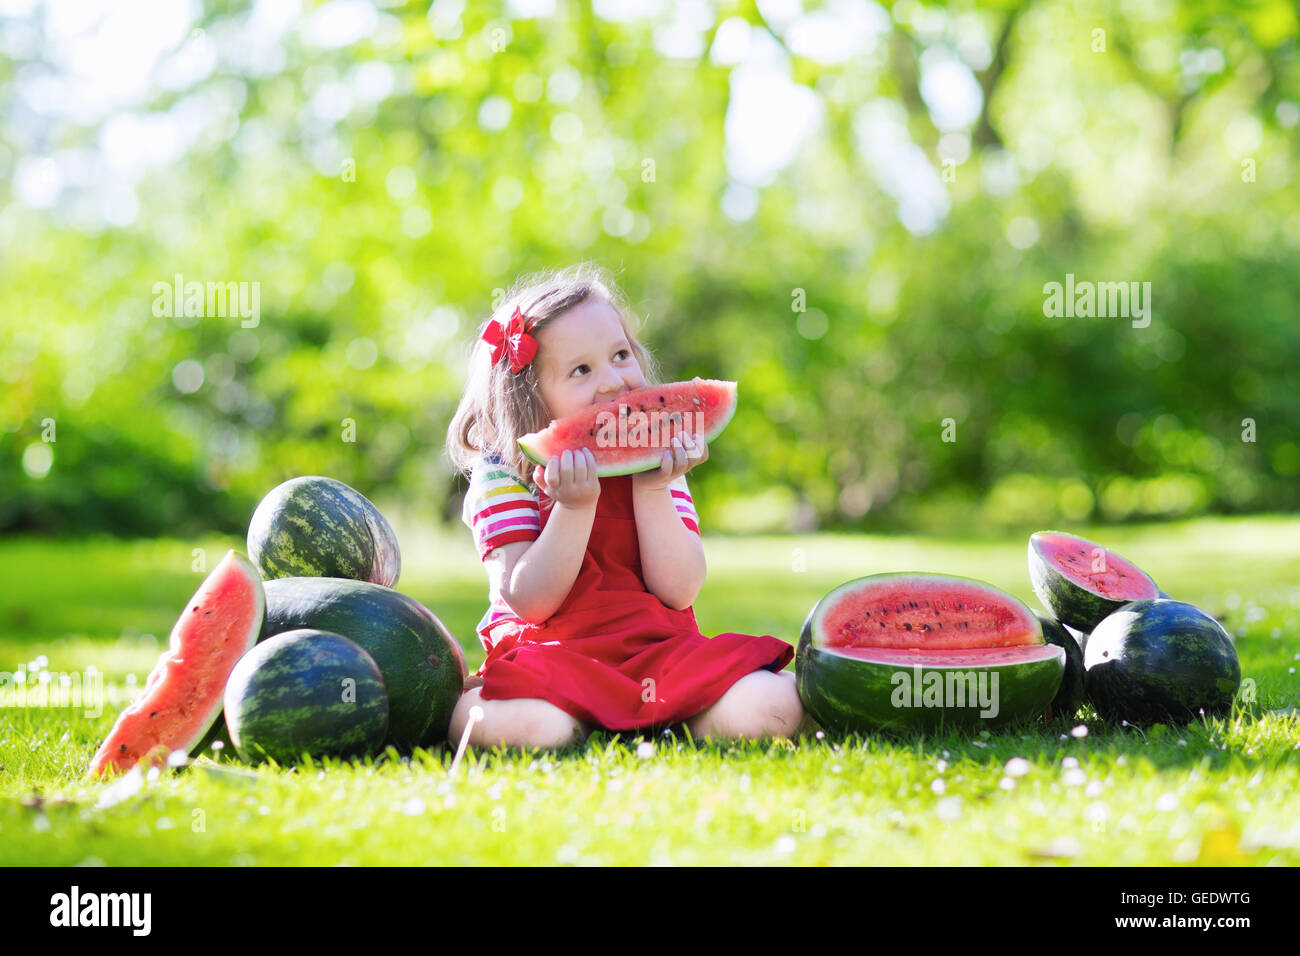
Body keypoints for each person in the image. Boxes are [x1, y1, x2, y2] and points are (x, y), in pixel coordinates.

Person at [445, 263, 809, 750]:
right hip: (553, 659)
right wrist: (573, 508)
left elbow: (679, 591)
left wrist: (655, 490)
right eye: (581, 370)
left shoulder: (655, 461)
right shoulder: (505, 476)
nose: (615, 382)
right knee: (524, 726)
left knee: (776, 708)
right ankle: (623, 721)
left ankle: (674, 714)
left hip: (658, 651)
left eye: (620, 355)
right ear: (527, 399)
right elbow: (530, 601)